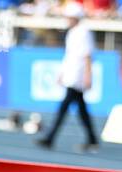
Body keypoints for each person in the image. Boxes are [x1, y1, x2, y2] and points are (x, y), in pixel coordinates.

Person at [36, 2, 99, 152]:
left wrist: (88, 76)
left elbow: (87, 55)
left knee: (64, 107)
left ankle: (50, 138)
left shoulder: (84, 32)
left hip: (78, 76)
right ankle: (92, 139)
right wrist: (62, 73)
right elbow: (69, 56)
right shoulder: (73, 32)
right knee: (81, 109)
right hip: (72, 74)